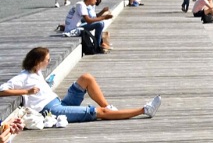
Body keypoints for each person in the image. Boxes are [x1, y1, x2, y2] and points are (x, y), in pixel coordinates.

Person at [0, 47, 161, 122]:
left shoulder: (37, 72)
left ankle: (110, 107)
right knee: (100, 112)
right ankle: (144, 110)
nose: (49, 61)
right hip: (51, 111)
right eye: (47, 59)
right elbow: (2, 91)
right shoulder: (22, 77)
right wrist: (26, 92)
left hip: (59, 102)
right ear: (37, 61)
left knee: (86, 77)